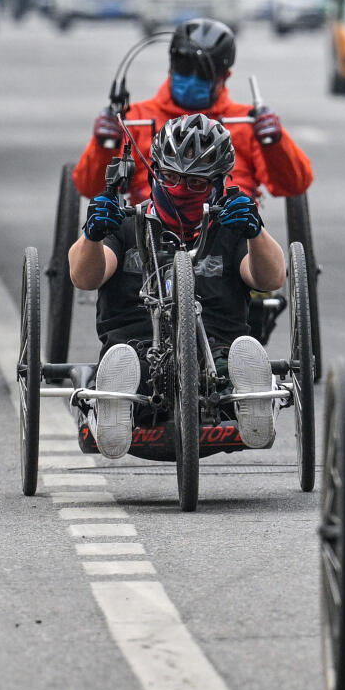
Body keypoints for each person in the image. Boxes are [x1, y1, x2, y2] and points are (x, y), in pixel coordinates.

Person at [67, 115, 285, 458]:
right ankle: (112, 408)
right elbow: (85, 277)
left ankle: (252, 398)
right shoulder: (125, 225)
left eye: (196, 183)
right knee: (128, 365)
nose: (181, 189)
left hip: (216, 353)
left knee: (231, 365)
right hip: (135, 351)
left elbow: (270, 279)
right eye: (170, 177)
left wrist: (255, 231)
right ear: (154, 170)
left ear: (218, 182)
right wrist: (92, 236)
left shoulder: (230, 229)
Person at [75, 17, 313, 205]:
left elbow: (294, 186)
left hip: (230, 228)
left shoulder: (247, 123)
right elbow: (90, 188)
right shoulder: (135, 119)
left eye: (202, 73)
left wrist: (275, 143)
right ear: (171, 67)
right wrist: (102, 145)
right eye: (184, 68)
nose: (191, 78)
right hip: (149, 228)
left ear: (224, 77)